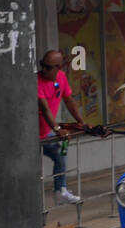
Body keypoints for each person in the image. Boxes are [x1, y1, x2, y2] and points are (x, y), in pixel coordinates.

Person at [36, 49, 89, 204]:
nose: (43, 69)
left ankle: (60, 190)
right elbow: (44, 109)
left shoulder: (61, 78)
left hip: (46, 132)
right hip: (32, 134)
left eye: (48, 67)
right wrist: (58, 130)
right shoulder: (36, 81)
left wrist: (81, 122)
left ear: (59, 67)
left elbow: (69, 100)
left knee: (60, 154)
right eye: (42, 65)